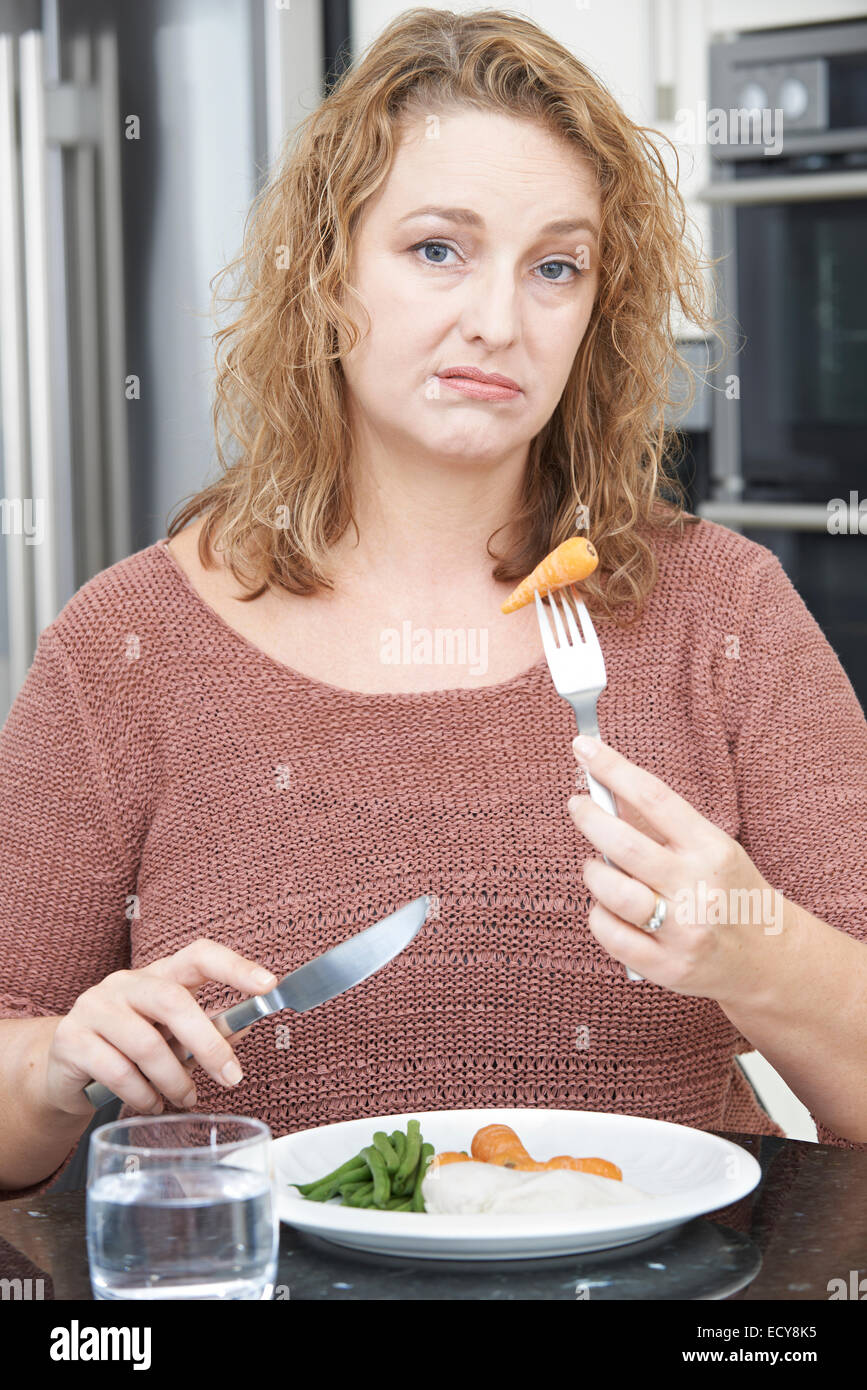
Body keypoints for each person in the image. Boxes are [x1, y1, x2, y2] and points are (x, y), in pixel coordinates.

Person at [1, 7, 865, 1202]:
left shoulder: (726, 613)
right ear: (326, 269)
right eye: (437, 249)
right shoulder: (126, 648)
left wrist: (758, 950)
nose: (499, 322)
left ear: (597, 313)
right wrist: (54, 1064)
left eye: (555, 266)